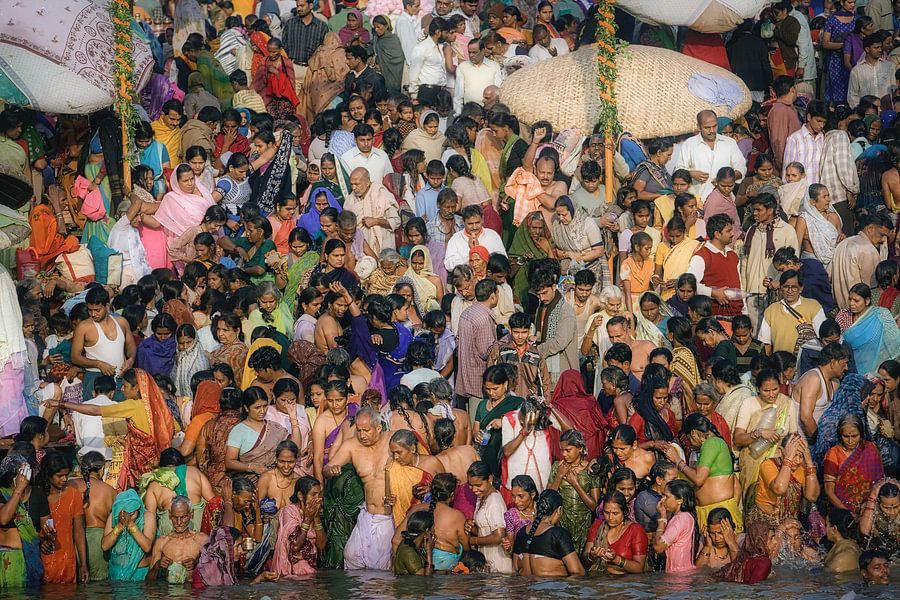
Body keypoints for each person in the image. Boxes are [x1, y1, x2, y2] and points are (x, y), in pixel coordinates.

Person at [57, 368, 173, 491]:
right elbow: (172, 429)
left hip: (140, 465)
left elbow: (96, 410)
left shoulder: (132, 405)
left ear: (136, 388)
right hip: (159, 462)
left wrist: (63, 404)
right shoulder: (160, 407)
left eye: (125, 386)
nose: (122, 389)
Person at [325, 406, 394, 571]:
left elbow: (416, 461)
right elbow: (327, 468)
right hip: (368, 515)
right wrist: (330, 471)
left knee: (384, 568)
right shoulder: (351, 446)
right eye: (359, 430)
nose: (362, 435)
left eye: (367, 430)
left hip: (391, 516)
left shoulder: (392, 440)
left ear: (378, 427)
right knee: (351, 555)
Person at [665, 414, 743, 533]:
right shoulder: (716, 444)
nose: (690, 444)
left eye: (689, 439)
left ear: (694, 433)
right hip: (712, 510)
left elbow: (699, 479)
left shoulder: (711, 443)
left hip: (718, 513)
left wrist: (677, 460)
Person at [733, 369, 798, 504]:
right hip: (753, 461)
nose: (771, 394)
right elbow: (738, 439)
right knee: (755, 502)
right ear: (758, 389)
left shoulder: (786, 403)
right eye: (766, 391)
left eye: (775, 389)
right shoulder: (749, 404)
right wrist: (759, 433)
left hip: (779, 462)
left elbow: (793, 435)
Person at [71, 286, 136, 401]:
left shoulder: (121, 322)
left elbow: (131, 348)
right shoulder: (84, 327)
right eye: (90, 310)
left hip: (120, 380)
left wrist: (130, 360)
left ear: (107, 306)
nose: (93, 314)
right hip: (95, 380)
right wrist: (99, 364)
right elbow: (75, 357)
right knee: (95, 416)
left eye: (97, 310)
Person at [748, 432, 820, 527]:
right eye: (794, 454)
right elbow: (779, 489)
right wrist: (788, 459)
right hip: (765, 519)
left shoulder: (801, 469)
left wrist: (809, 462)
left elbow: (812, 496)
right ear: (781, 451)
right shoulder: (768, 465)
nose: (798, 461)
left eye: (801, 456)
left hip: (790, 520)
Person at [674, 110, 746, 200]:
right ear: (699, 127)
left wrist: (725, 179)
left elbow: (742, 168)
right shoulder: (689, 144)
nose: (712, 131)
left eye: (715, 126)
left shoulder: (729, 143)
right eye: (707, 127)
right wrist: (691, 173)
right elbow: (678, 170)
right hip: (698, 201)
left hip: (724, 200)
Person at [512, 489, 585, 576]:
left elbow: (515, 567)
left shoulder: (521, 532)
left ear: (536, 508)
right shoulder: (558, 534)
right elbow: (578, 572)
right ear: (559, 510)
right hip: (551, 588)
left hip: (525, 587)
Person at [547, 430, 600, 551]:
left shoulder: (590, 470)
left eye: (568, 450)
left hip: (583, 526)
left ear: (580, 448)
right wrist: (559, 476)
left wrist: (575, 483)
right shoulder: (557, 467)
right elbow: (548, 499)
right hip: (561, 523)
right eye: (562, 450)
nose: (564, 454)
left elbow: (594, 507)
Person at [68, 451, 116, 581]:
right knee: (99, 588)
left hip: (74, 541)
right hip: (99, 543)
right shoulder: (110, 491)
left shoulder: (69, 485)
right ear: (101, 470)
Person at [226, 386, 289, 483]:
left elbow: (291, 447)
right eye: (257, 407)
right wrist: (252, 467)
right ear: (247, 408)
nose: (262, 411)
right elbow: (230, 462)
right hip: (252, 481)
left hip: (277, 478)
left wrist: (294, 420)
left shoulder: (274, 427)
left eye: (265, 406)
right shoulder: (238, 431)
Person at [824, 413, 885, 514]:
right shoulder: (833, 454)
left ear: (861, 434)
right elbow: (829, 491)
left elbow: (879, 481)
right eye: (846, 436)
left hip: (870, 509)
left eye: (854, 436)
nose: (850, 441)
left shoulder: (870, 448)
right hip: (841, 510)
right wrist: (847, 513)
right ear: (840, 435)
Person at [688, 214, 744, 318]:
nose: (732, 234)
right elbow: (690, 285)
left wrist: (745, 312)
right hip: (714, 316)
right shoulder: (702, 256)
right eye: (728, 231)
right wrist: (713, 293)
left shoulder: (733, 255)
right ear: (717, 234)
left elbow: (739, 286)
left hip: (737, 315)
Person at [271, 476, 326, 577]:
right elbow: (295, 546)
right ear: (301, 495)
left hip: (309, 570)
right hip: (290, 572)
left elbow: (321, 545)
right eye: (313, 495)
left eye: (319, 495)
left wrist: (316, 517)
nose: (318, 499)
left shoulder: (315, 513)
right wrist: (308, 519)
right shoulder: (289, 511)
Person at [793, 342, 849, 441]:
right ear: (833, 363)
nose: (846, 368)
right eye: (843, 364)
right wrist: (819, 443)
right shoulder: (813, 379)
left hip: (823, 438)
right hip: (803, 441)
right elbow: (805, 417)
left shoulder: (835, 382)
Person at [145, 497, 208, 584]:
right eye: (175, 517)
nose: (179, 522)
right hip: (169, 593)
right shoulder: (162, 542)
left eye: (183, 517)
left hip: (193, 593)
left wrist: (197, 564)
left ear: (191, 514)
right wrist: (157, 565)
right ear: (169, 515)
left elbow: (214, 573)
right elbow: (148, 581)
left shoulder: (201, 540)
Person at [831, 214, 888, 309]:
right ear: (870, 228)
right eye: (881, 235)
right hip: (860, 312)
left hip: (841, 311)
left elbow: (829, 274)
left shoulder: (843, 244)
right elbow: (872, 289)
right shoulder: (868, 250)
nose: (883, 240)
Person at [842, 283, 900, 375]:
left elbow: (894, 342)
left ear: (867, 301)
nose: (851, 304)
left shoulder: (881, 315)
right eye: (850, 299)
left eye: (856, 301)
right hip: (850, 368)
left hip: (878, 368)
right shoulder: (844, 315)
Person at [101, 489, 153, 581]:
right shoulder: (113, 516)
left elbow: (147, 546)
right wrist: (120, 525)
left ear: (138, 509)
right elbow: (105, 546)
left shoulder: (148, 516)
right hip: (117, 575)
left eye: (132, 514)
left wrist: (130, 524)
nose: (127, 517)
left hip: (139, 575)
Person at [652, 479, 699, 573]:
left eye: (666, 496)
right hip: (683, 573)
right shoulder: (685, 516)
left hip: (679, 575)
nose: (662, 499)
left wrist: (662, 519)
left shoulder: (681, 519)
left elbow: (658, 547)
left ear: (680, 500)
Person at [824, 508, 861, 573]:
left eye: (826, 525)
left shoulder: (843, 557)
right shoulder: (850, 545)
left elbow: (827, 579)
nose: (825, 529)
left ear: (834, 529)